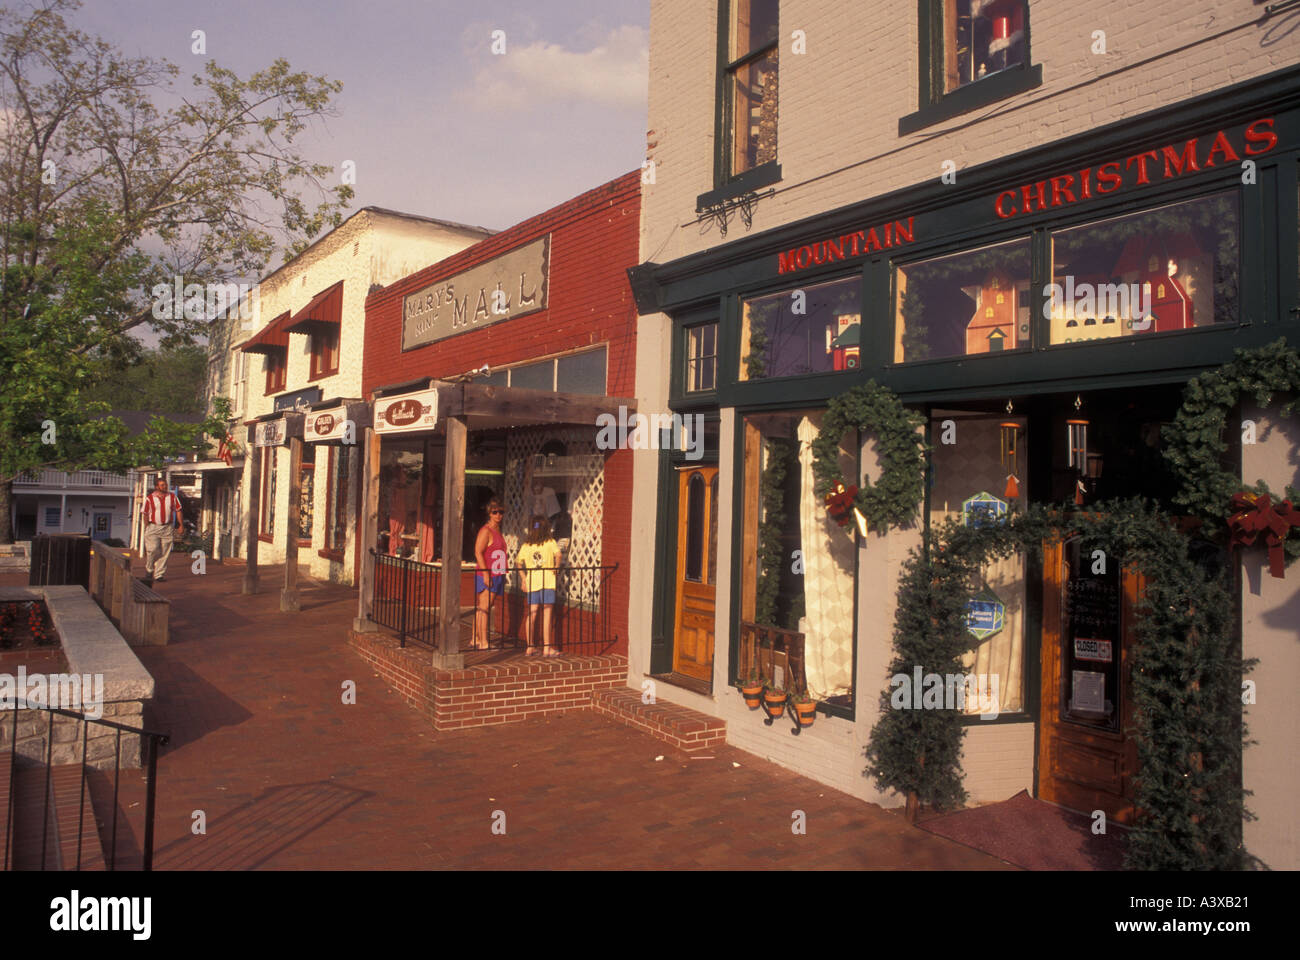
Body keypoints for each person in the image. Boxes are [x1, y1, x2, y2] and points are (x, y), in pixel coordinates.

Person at [517, 514, 561, 657]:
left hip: (532, 581)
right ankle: (547, 648)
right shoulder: (550, 542)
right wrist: (556, 567)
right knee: (547, 613)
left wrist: (524, 578)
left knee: (532, 612)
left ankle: (530, 646)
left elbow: (518, 562)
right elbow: (559, 554)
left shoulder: (526, 545)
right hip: (547, 580)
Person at [472, 498, 507, 650]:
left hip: (498, 572)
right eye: (495, 512)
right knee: (484, 607)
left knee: (484, 606)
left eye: (501, 512)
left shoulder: (498, 530)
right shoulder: (486, 531)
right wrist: (486, 574)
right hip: (489, 573)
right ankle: (483, 642)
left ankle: (475, 637)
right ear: (489, 513)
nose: (498, 515)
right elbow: (478, 552)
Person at [140, 477, 182, 585]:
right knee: (153, 550)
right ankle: (149, 569)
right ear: (157, 487)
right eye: (162, 485)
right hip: (153, 526)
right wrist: (147, 526)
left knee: (165, 551)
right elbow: (144, 513)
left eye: (165, 484)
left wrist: (180, 525)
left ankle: (159, 574)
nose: (165, 486)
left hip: (167, 527)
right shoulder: (150, 498)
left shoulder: (172, 497)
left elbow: (178, 510)